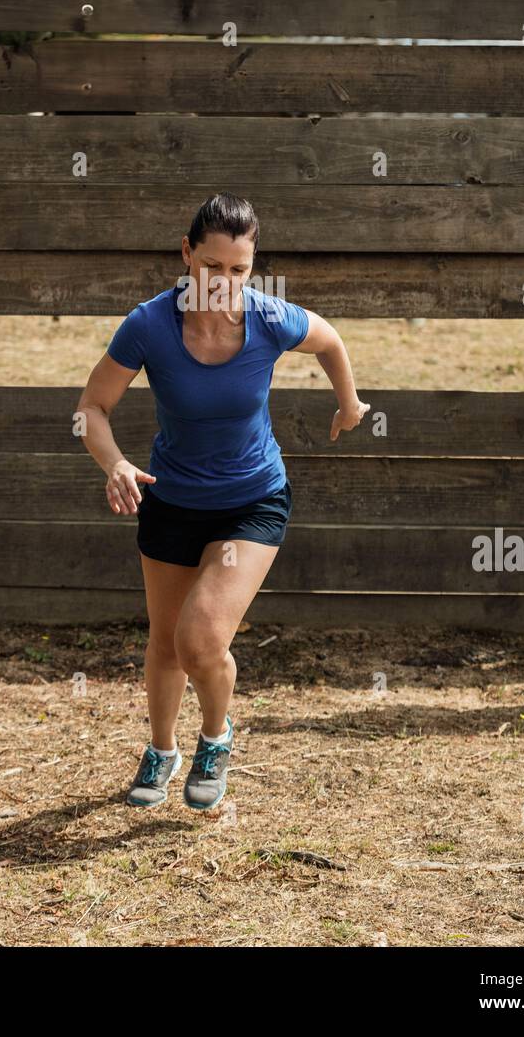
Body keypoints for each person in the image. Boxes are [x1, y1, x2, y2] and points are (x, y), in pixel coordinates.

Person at [76, 192, 369, 810]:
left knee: (200, 639)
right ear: (187, 256)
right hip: (172, 498)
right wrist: (116, 462)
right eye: (213, 267)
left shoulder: (269, 319)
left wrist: (348, 404)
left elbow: (331, 341)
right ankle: (160, 751)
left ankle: (215, 739)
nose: (226, 283)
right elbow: (92, 408)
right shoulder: (149, 325)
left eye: (239, 270)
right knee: (163, 643)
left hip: (251, 501)